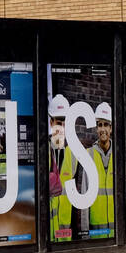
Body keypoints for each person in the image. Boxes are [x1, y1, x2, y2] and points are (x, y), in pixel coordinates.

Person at [48, 94, 74, 240]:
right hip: (49, 234)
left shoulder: (73, 154)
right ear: (51, 122)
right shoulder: (43, 149)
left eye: (64, 122)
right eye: (59, 122)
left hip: (65, 234)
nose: (62, 127)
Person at [89, 102, 115, 235]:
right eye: (100, 125)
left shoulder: (118, 154)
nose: (103, 129)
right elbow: (84, 193)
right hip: (96, 229)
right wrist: (84, 231)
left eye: (106, 125)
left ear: (111, 128)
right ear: (96, 129)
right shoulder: (89, 154)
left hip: (116, 227)